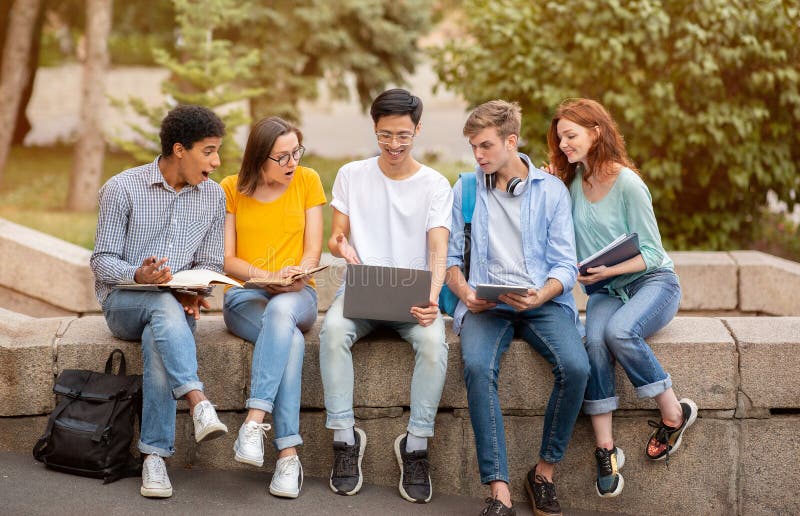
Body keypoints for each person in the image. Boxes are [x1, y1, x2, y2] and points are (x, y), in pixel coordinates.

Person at [545, 97, 696, 499]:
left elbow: (651, 252)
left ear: (596, 133)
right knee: (593, 339)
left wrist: (607, 270)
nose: (563, 145)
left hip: (653, 284)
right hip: (605, 290)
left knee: (620, 332)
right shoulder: (571, 184)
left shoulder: (628, 182)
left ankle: (674, 413)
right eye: (560, 138)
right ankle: (606, 450)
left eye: (571, 136)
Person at [445, 100, 589, 516]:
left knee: (577, 368)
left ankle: (543, 473)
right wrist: (467, 293)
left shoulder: (551, 191)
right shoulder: (466, 189)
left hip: (541, 303)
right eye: (473, 147)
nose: (479, 155)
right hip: (486, 305)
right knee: (476, 367)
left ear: (512, 141)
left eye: (486, 146)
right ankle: (499, 492)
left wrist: (541, 295)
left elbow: (566, 264)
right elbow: (451, 263)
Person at [319, 88, 453, 504]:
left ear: (417, 130)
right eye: (384, 135)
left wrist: (432, 298)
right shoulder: (352, 174)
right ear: (374, 130)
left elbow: (438, 249)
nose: (394, 145)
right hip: (363, 286)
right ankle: (345, 438)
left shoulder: (434, 184)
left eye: (402, 135)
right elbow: (337, 234)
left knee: (434, 345)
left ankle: (415, 446)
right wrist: (341, 245)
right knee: (332, 331)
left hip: (413, 293)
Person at [90, 104, 229, 499]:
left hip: (173, 308)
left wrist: (196, 290)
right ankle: (197, 400)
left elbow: (210, 262)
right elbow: (101, 261)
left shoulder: (213, 198)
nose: (216, 162)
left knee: (161, 326)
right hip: (124, 304)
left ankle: (153, 459)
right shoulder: (122, 188)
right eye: (209, 151)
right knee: (159, 305)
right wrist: (140, 275)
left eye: (218, 151)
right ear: (180, 150)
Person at [220, 117, 326, 499]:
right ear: (258, 158)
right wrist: (267, 276)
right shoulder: (231, 188)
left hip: (299, 295)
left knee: (282, 313)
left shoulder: (308, 180)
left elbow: (313, 248)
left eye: (296, 152)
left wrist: (299, 270)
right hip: (246, 296)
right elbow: (227, 260)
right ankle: (288, 456)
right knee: (291, 342)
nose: (291, 163)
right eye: (281, 157)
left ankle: (253, 422)